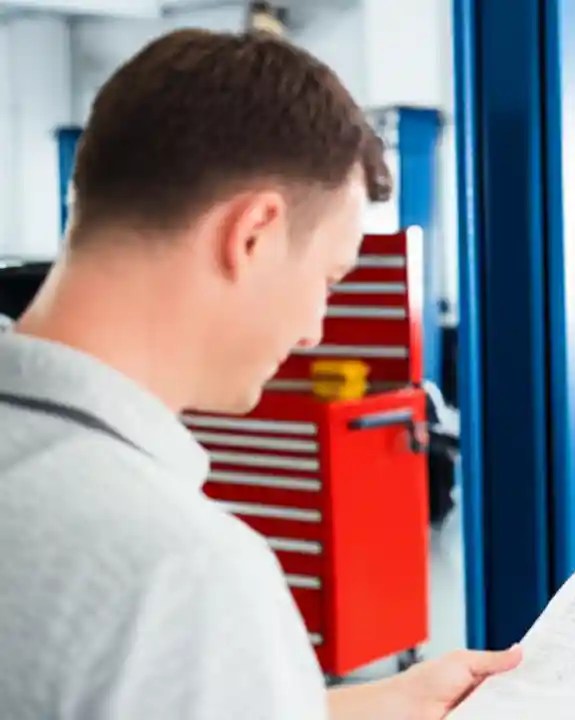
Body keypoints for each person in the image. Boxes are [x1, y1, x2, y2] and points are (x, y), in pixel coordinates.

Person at [0, 30, 518, 719]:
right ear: (254, 234)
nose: (316, 329)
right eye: (328, 278)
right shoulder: (181, 573)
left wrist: (377, 706)